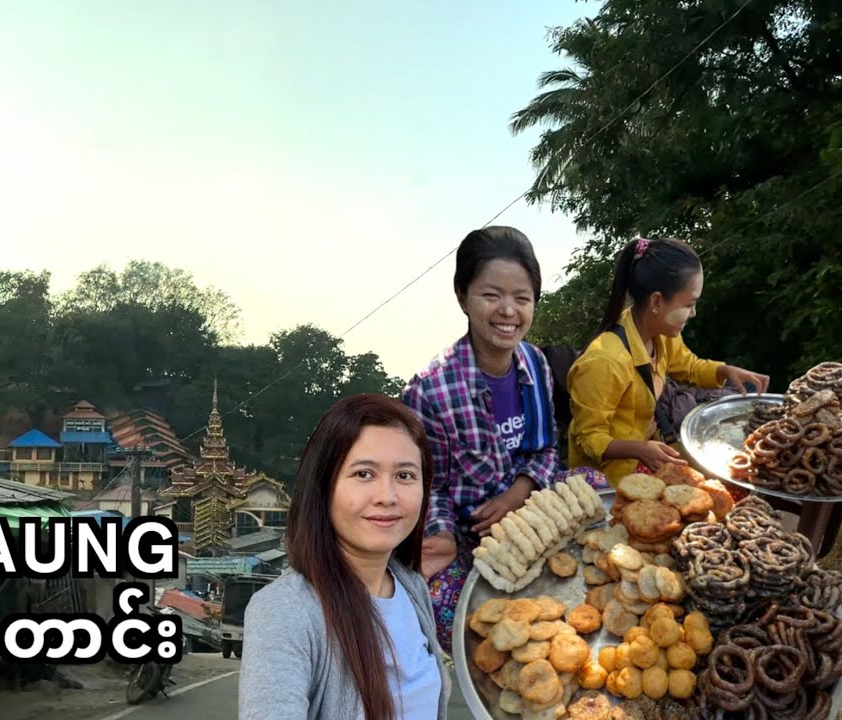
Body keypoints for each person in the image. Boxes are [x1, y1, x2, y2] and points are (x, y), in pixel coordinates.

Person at [399, 226, 606, 652]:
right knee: (443, 608)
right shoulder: (431, 391)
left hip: (531, 507)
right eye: (491, 295)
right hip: (472, 532)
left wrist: (520, 491)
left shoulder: (535, 365)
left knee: (600, 489)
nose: (508, 310)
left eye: (522, 298)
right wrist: (442, 535)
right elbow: (428, 485)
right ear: (462, 297)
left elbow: (546, 449)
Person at [238, 394, 450, 720]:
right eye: (364, 474)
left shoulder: (412, 587)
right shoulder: (285, 612)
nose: (387, 497)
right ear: (324, 486)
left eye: (405, 475)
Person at [566, 237, 770, 485]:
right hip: (608, 477)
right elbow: (587, 438)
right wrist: (640, 449)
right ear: (656, 301)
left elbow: (690, 366)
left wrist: (726, 371)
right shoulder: (604, 362)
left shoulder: (662, 335)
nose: (693, 313)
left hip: (648, 453)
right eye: (689, 304)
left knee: (733, 481)